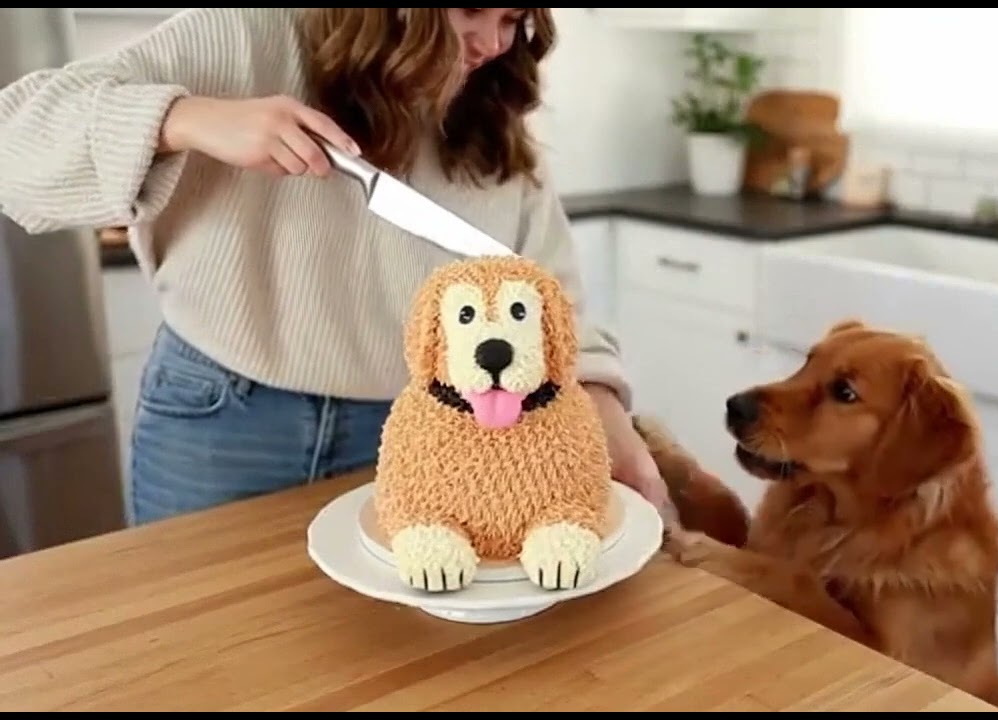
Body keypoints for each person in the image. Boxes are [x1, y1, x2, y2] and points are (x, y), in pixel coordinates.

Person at [0, 8, 674, 526]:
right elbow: (14, 142)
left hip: (418, 430)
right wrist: (185, 118)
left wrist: (601, 402)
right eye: (472, 12)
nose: (496, 43)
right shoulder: (245, 32)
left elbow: (546, 290)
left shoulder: (491, 113)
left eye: (512, 18)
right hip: (217, 425)